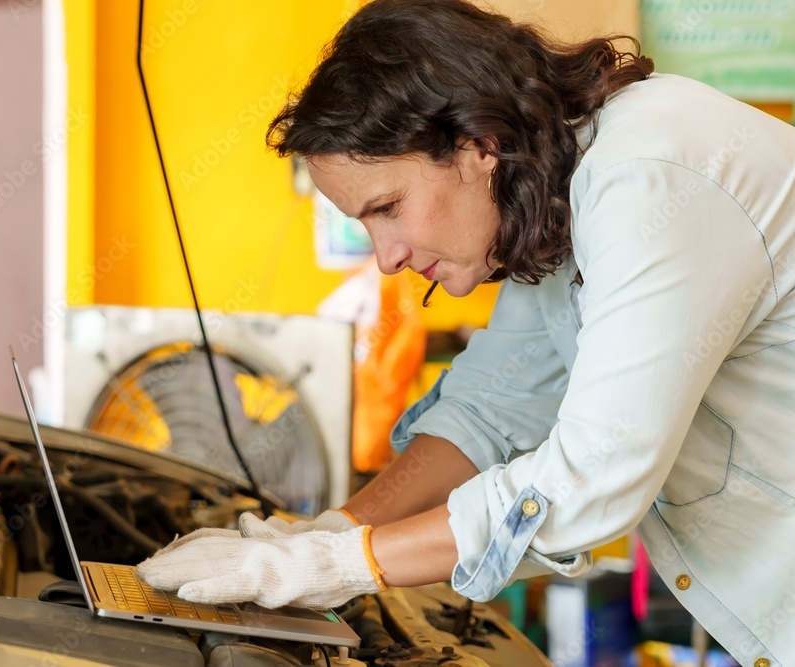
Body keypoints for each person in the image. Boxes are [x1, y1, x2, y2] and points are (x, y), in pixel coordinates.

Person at [138, 0, 795, 662]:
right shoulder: (557, 190)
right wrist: (332, 529)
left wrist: (335, 564)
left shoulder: (648, 178)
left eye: (388, 207)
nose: (386, 256)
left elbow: (594, 472)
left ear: (479, 144)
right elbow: (488, 409)